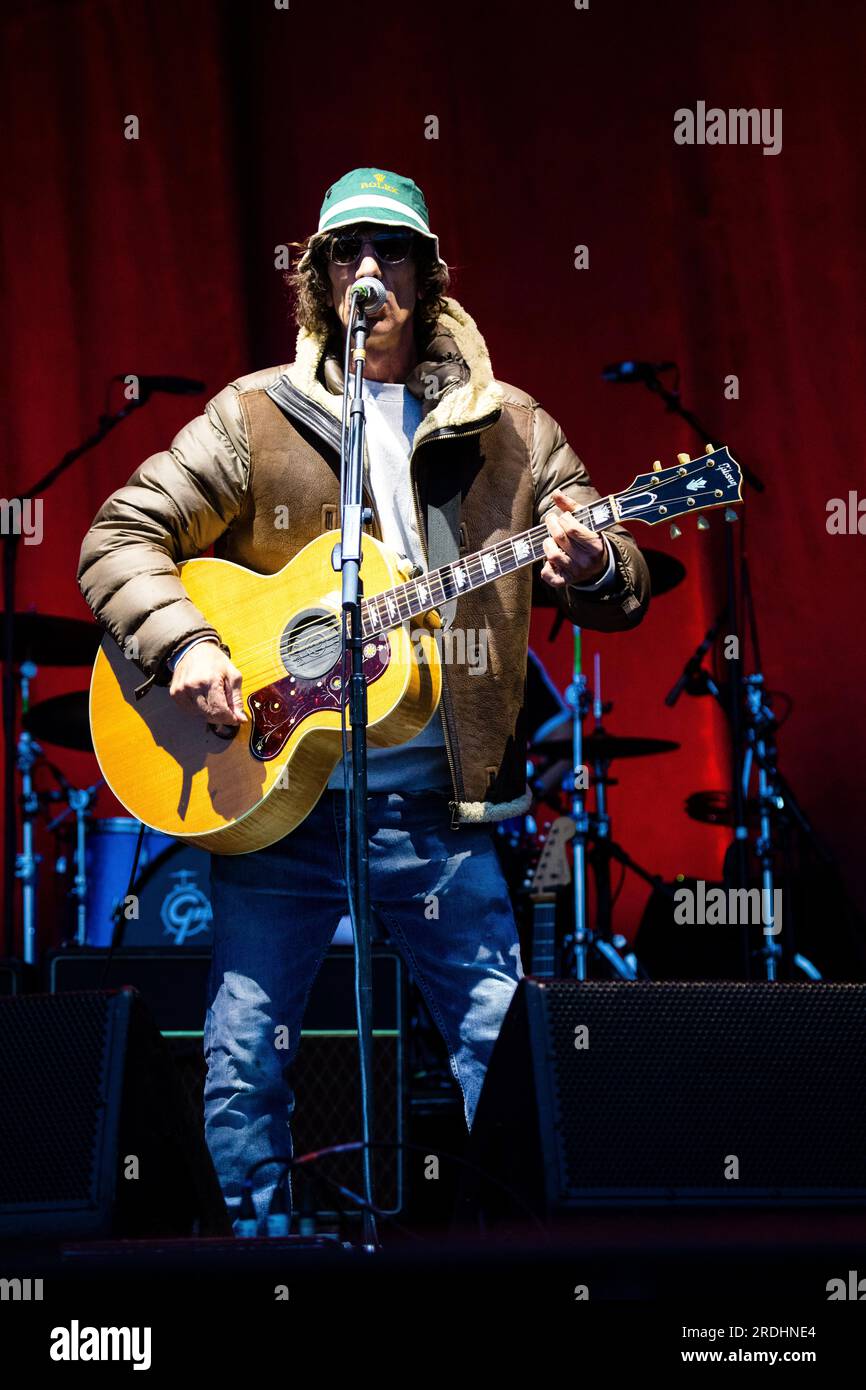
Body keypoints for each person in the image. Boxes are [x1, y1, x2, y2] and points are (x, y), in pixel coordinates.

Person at [78, 167, 650, 1232]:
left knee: (499, 1044)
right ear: (318, 277)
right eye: (346, 252)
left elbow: (619, 574)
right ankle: (260, 1253)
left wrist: (595, 566)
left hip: (436, 807)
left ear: (427, 275)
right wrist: (189, 640)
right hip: (278, 798)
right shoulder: (255, 417)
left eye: (390, 250)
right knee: (242, 1058)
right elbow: (118, 537)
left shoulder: (512, 430)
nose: (368, 271)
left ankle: (531, 1260)